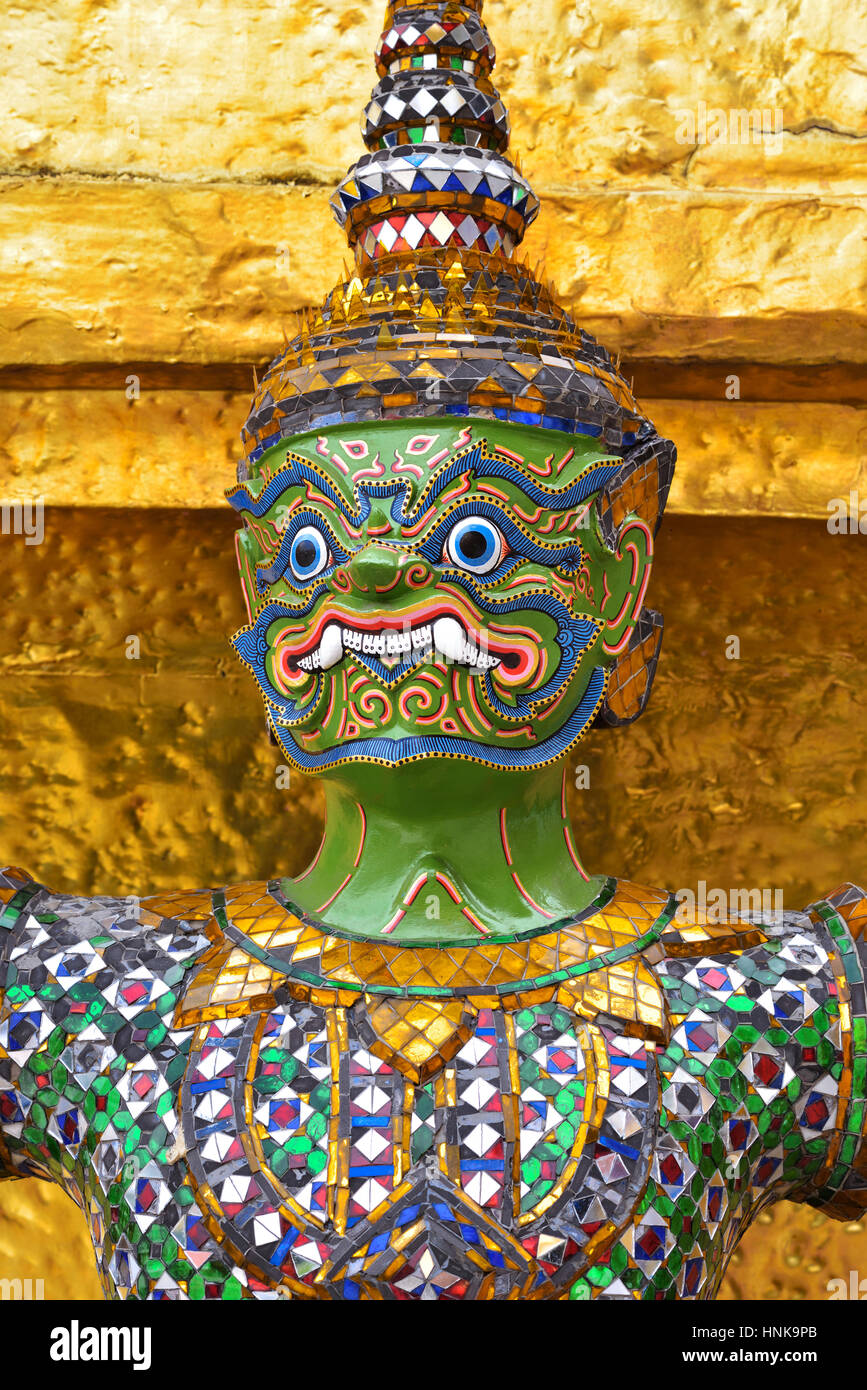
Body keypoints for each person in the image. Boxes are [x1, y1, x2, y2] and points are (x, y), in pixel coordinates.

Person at [1, 0, 864, 1300]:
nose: (375, 574)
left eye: (471, 540)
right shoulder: (93, 991)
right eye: (309, 549)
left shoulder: (768, 1003)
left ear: (621, 577)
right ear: (256, 606)